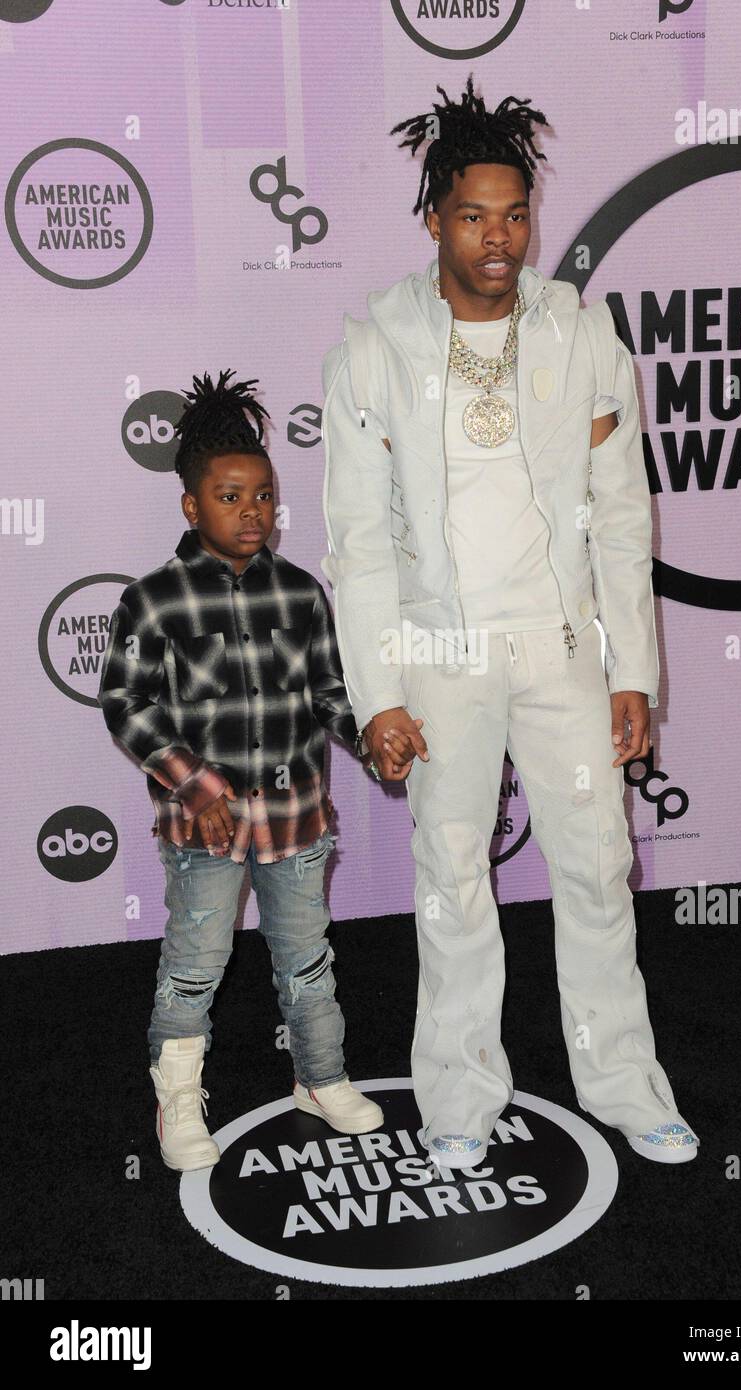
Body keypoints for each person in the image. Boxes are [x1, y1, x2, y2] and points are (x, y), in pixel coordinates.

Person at [320, 76, 700, 1167]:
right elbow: (358, 540)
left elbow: (622, 516)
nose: (498, 239)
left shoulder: (583, 337)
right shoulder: (373, 351)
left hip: (563, 646)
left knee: (593, 866)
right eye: (474, 215)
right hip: (441, 654)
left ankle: (626, 1084)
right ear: (433, 215)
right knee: (450, 878)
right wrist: (379, 693)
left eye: (515, 214)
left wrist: (634, 668)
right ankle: (458, 1103)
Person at [99, 369, 405, 1171]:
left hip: (298, 821)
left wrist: (373, 740)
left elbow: (330, 693)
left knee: (307, 959)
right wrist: (196, 786)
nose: (252, 513)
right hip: (205, 828)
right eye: (230, 497)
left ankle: (321, 1077)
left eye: (264, 496)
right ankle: (176, 1102)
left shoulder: (303, 593)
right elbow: (127, 704)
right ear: (192, 506)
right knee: (195, 966)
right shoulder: (154, 600)